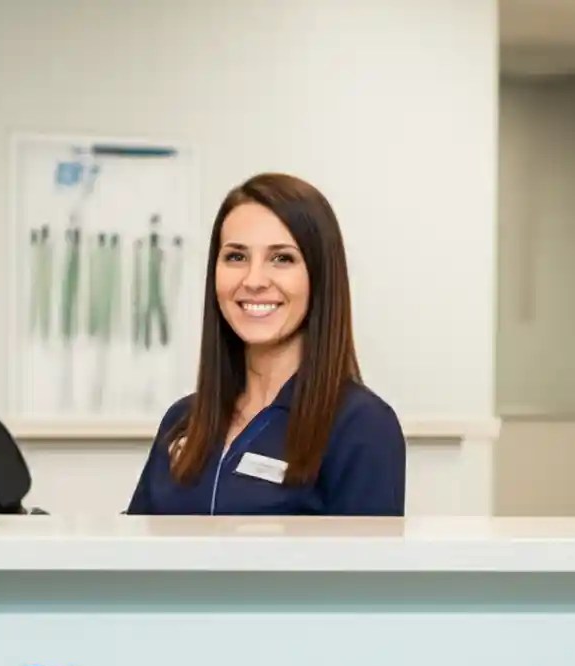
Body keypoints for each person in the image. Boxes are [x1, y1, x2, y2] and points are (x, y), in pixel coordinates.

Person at [125, 172, 406, 516]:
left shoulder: (361, 426)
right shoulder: (184, 420)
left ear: (319, 276)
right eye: (236, 257)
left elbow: (368, 568)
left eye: (282, 258)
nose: (254, 280)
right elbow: (135, 555)